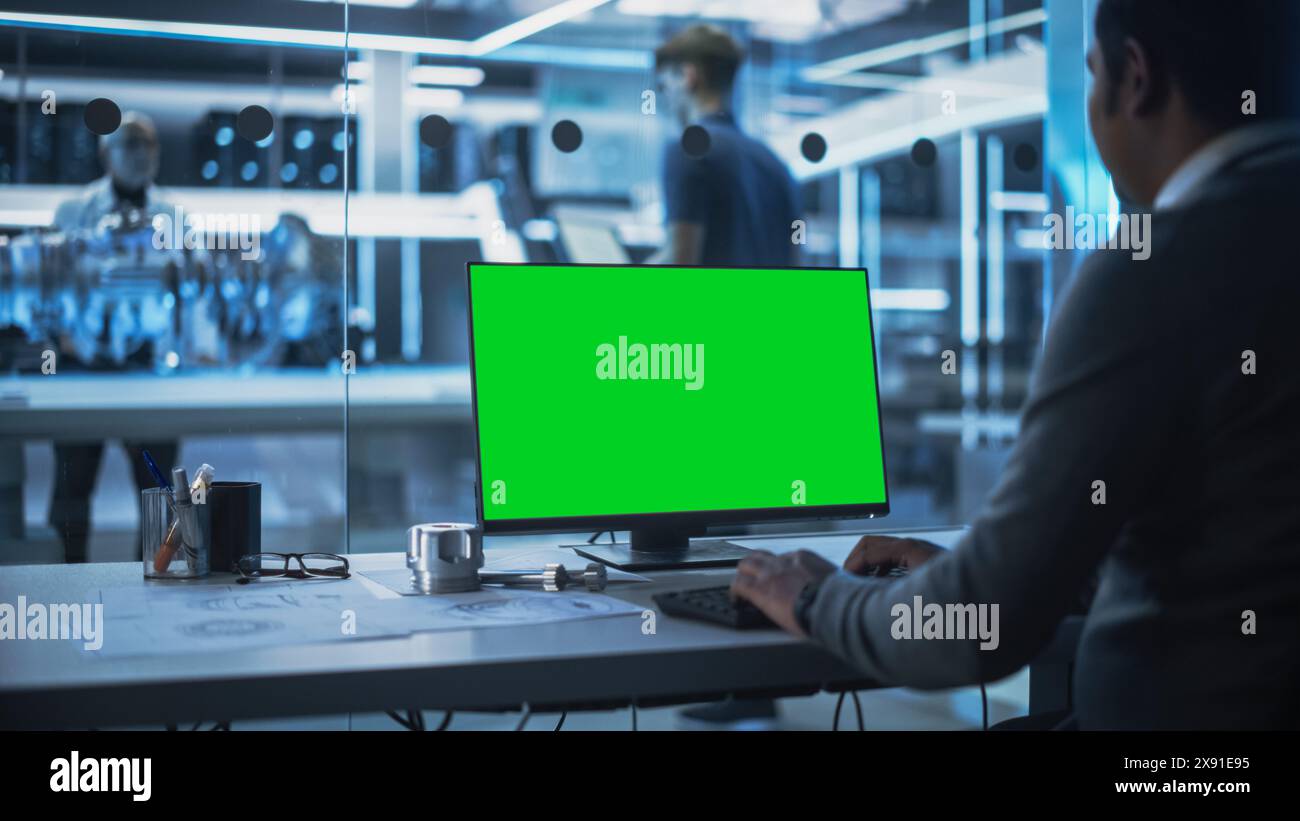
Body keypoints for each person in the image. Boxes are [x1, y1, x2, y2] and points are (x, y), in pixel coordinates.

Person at [731, 0, 1300, 730]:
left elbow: (979, 627)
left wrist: (812, 595)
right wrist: (993, 571)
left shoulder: (1158, 266)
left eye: (1091, 75)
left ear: (1134, 79)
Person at [48, 112, 179, 563]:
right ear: (106, 153)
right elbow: (54, 284)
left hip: (148, 367)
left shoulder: (173, 216)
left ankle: (149, 580)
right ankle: (70, 579)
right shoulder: (74, 211)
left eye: (148, 144)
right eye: (130, 144)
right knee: (72, 489)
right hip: (82, 364)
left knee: (158, 493)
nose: (140, 154)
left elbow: (184, 292)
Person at [650, 24, 799, 266]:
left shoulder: (686, 150)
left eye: (664, 86)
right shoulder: (775, 164)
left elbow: (680, 261)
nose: (666, 99)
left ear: (689, 76)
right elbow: (796, 265)